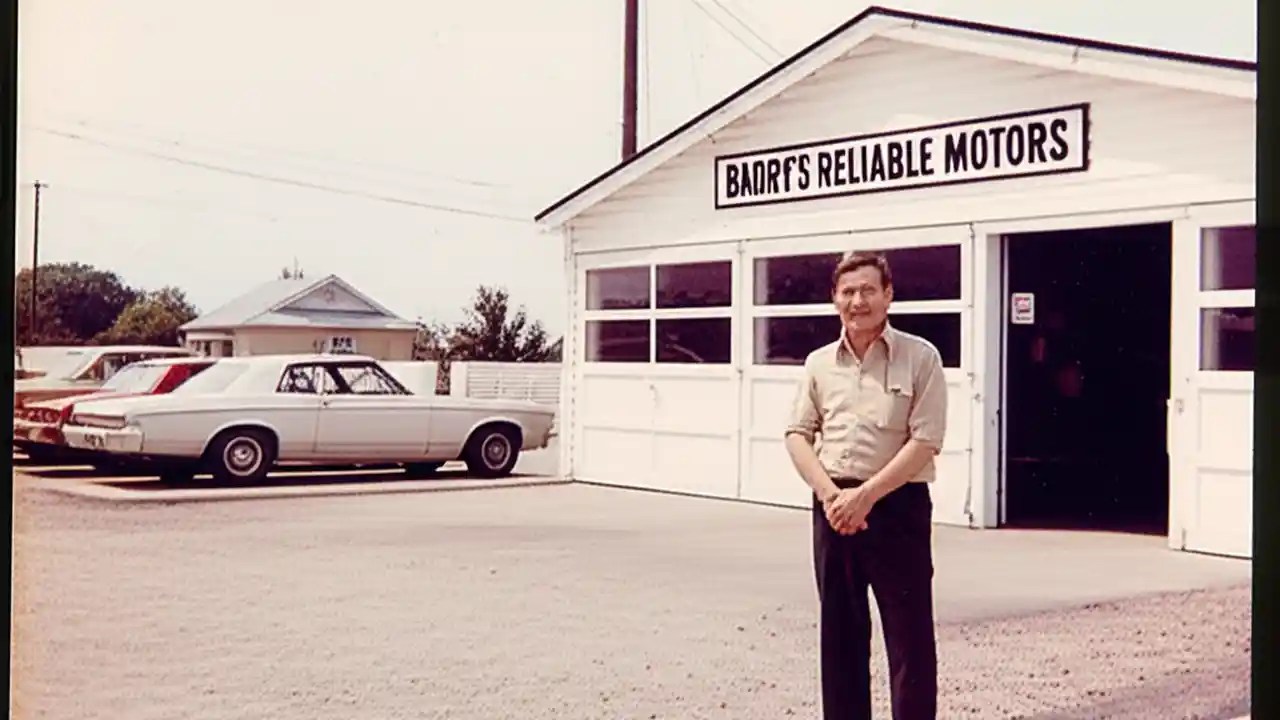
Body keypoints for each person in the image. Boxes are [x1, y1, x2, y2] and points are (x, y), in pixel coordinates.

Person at [783, 251, 948, 720]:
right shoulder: (818, 364)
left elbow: (926, 441)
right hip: (834, 509)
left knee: (910, 638)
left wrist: (866, 496)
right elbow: (797, 434)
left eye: (869, 290)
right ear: (835, 298)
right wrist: (831, 496)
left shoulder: (921, 357)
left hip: (897, 507)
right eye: (848, 292)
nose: (858, 301)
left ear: (888, 295)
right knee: (840, 636)